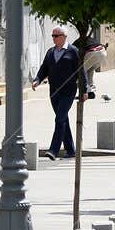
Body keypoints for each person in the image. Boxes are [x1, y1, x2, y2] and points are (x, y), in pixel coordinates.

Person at [31, 27, 82, 160]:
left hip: (68, 91)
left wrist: (85, 89)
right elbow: (44, 68)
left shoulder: (73, 51)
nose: (53, 38)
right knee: (63, 119)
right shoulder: (50, 52)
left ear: (64, 36)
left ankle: (53, 150)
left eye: (56, 35)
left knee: (59, 118)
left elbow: (80, 72)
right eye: (52, 36)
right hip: (54, 91)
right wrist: (37, 79)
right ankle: (71, 150)